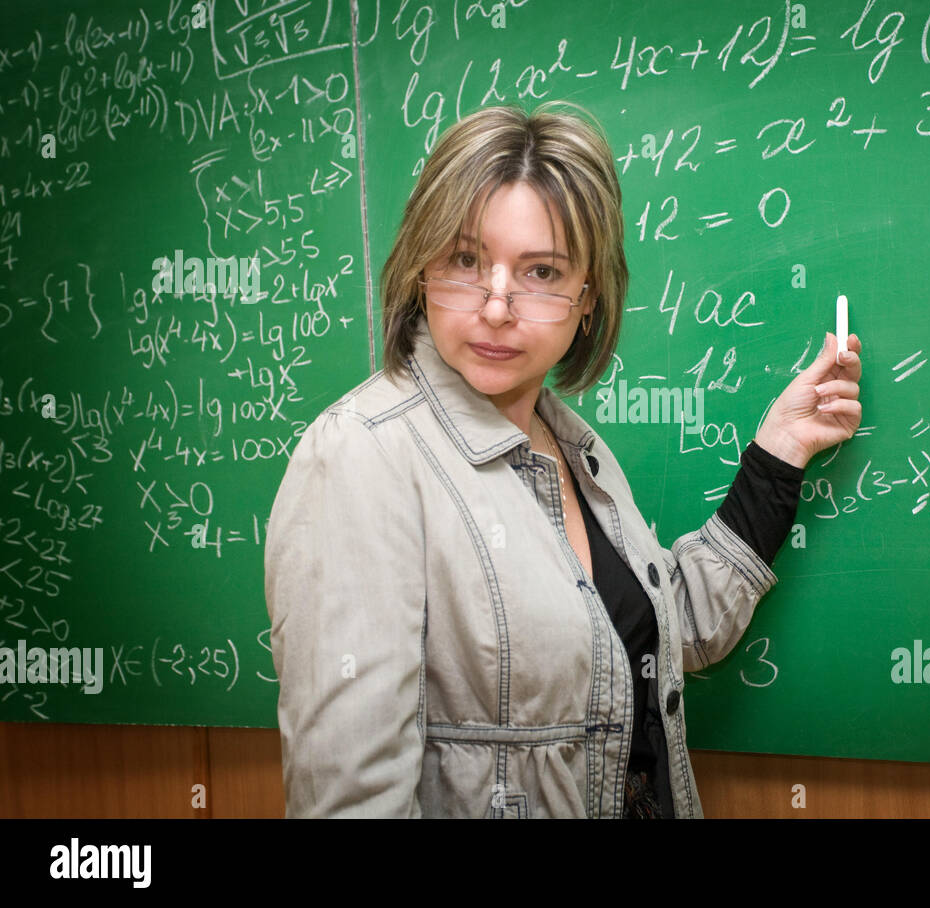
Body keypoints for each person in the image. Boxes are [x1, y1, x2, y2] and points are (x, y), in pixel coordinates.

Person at [264, 102, 863, 818]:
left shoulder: (569, 444)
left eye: (541, 271)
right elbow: (350, 801)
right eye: (463, 259)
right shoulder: (363, 456)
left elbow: (661, 632)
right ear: (420, 267)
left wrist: (779, 453)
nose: (495, 304)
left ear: (588, 299)